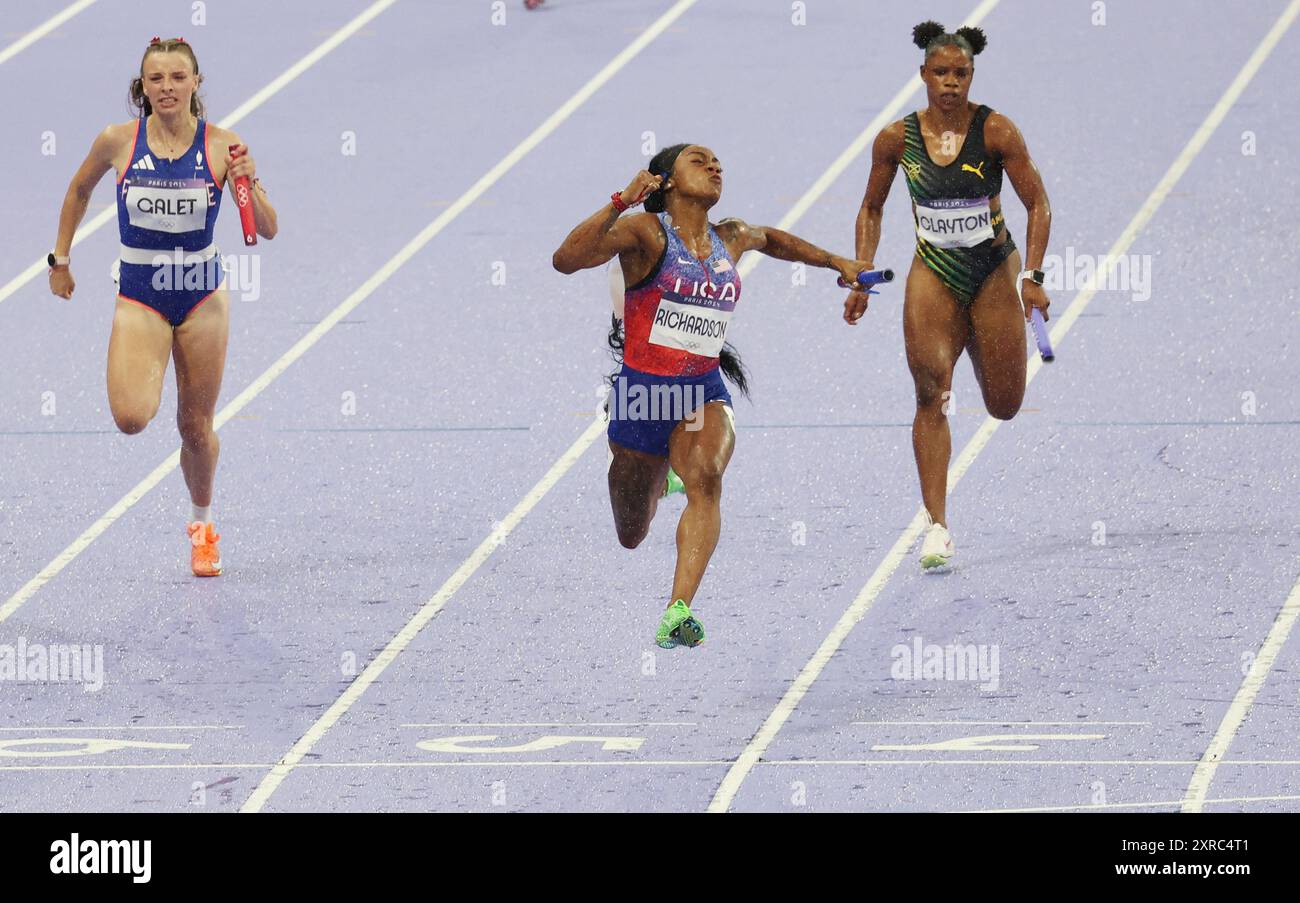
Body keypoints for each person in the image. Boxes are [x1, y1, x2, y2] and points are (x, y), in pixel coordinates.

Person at [555, 143, 871, 646]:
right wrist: (620, 201)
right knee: (631, 533)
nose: (715, 166)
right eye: (699, 161)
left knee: (706, 478)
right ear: (667, 182)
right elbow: (565, 260)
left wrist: (838, 262)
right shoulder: (645, 233)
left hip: (701, 391)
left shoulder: (733, 237)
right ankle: (661, 482)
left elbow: (775, 242)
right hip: (642, 400)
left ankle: (678, 609)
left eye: (718, 161)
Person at [48, 37, 278, 577]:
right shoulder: (117, 141)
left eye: (178, 77)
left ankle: (202, 528)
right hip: (140, 295)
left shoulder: (223, 146)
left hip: (202, 299)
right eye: (157, 79)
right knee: (131, 418)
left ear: (195, 83)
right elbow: (79, 191)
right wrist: (59, 259)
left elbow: (266, 228)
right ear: (143, 86)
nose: (167, 87)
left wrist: (250, 186)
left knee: (195, 427)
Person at [844, 22, 1052, 571]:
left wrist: (1032, 275)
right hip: (932, 273)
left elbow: (1039, 204)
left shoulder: (998, 132)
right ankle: (936, 526)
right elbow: (871, 207)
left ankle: (983, 343)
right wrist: (862, 270)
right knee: (929, 393)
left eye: (961, 73)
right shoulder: (896, 139)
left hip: (989, 272)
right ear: (923, 76)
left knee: (1004, 405)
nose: (951, 83)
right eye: (941, 73)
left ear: (972, 76)